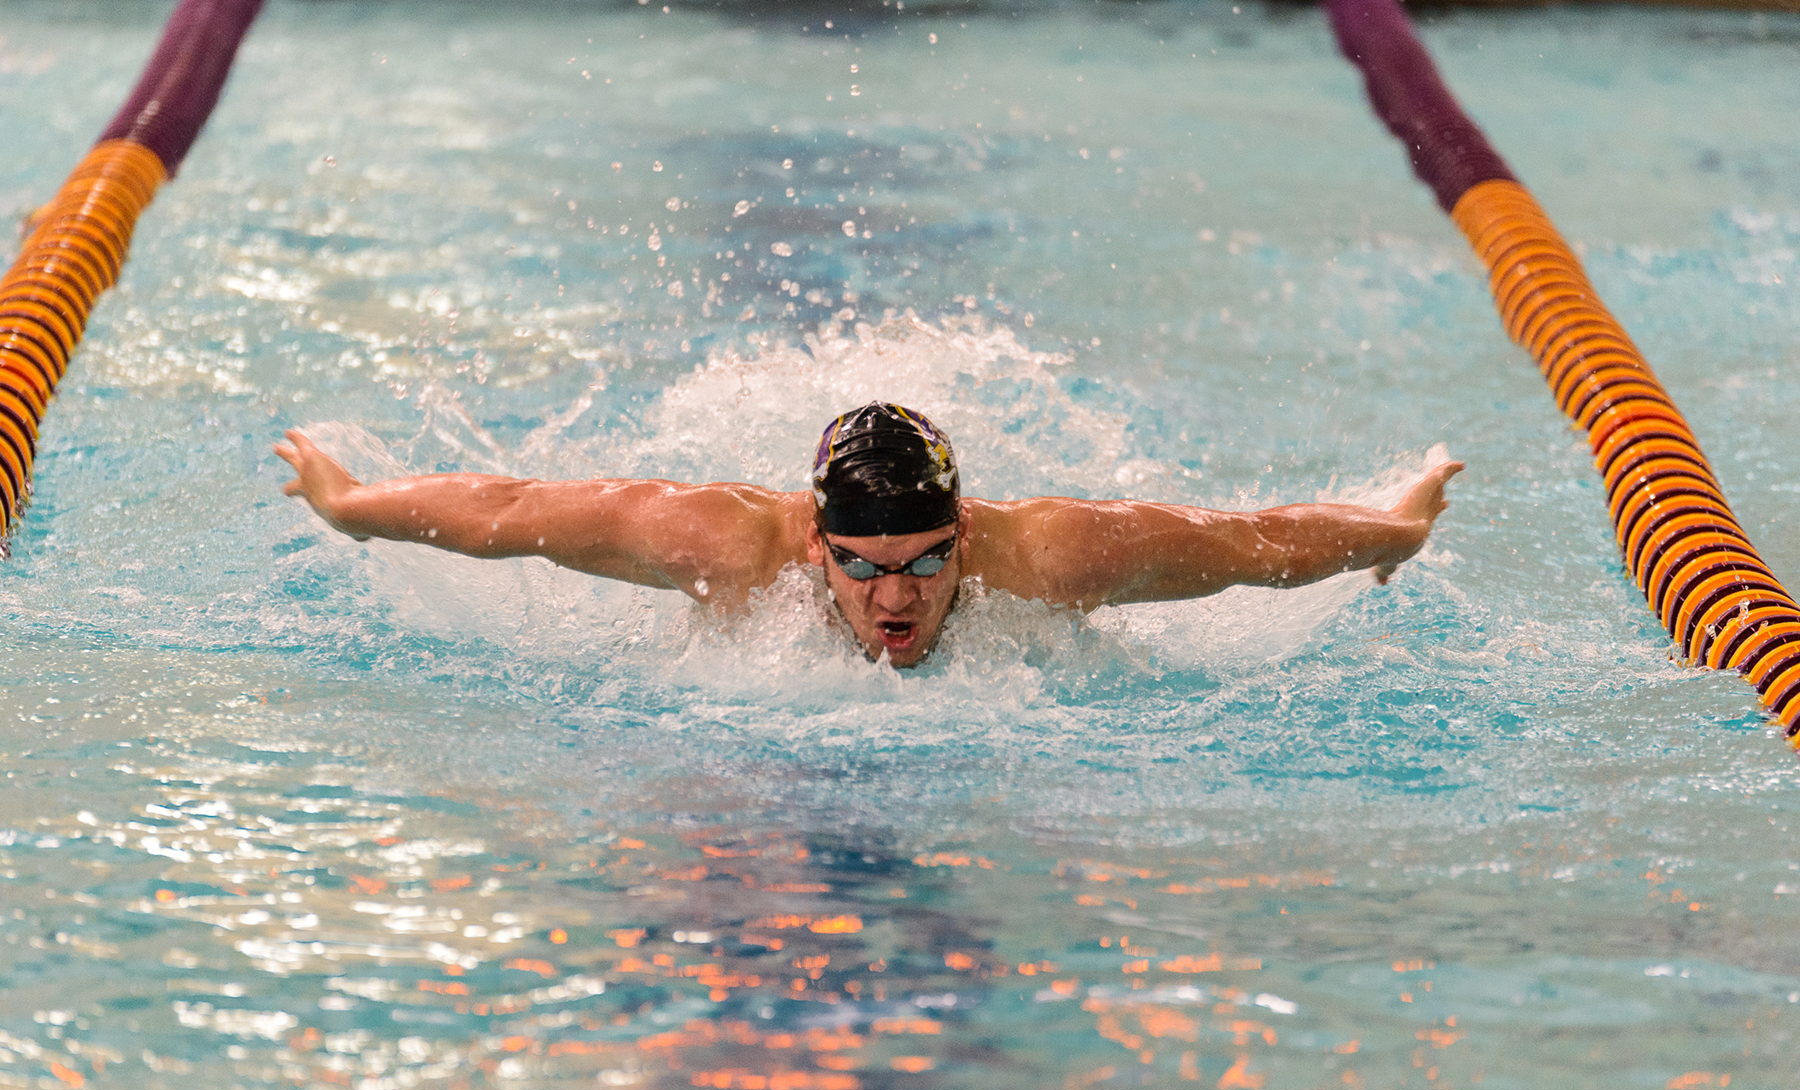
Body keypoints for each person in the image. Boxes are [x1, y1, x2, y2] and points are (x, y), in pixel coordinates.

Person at [275, 403, 1462, 668]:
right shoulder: (719, 540)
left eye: (928, 565)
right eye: (867, 572)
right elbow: (512, 515)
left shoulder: (1049, 555)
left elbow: (1248, 543)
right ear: (814, 548)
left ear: (963, 535)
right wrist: (348, 500)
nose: (897, 602)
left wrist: (1388, 529)